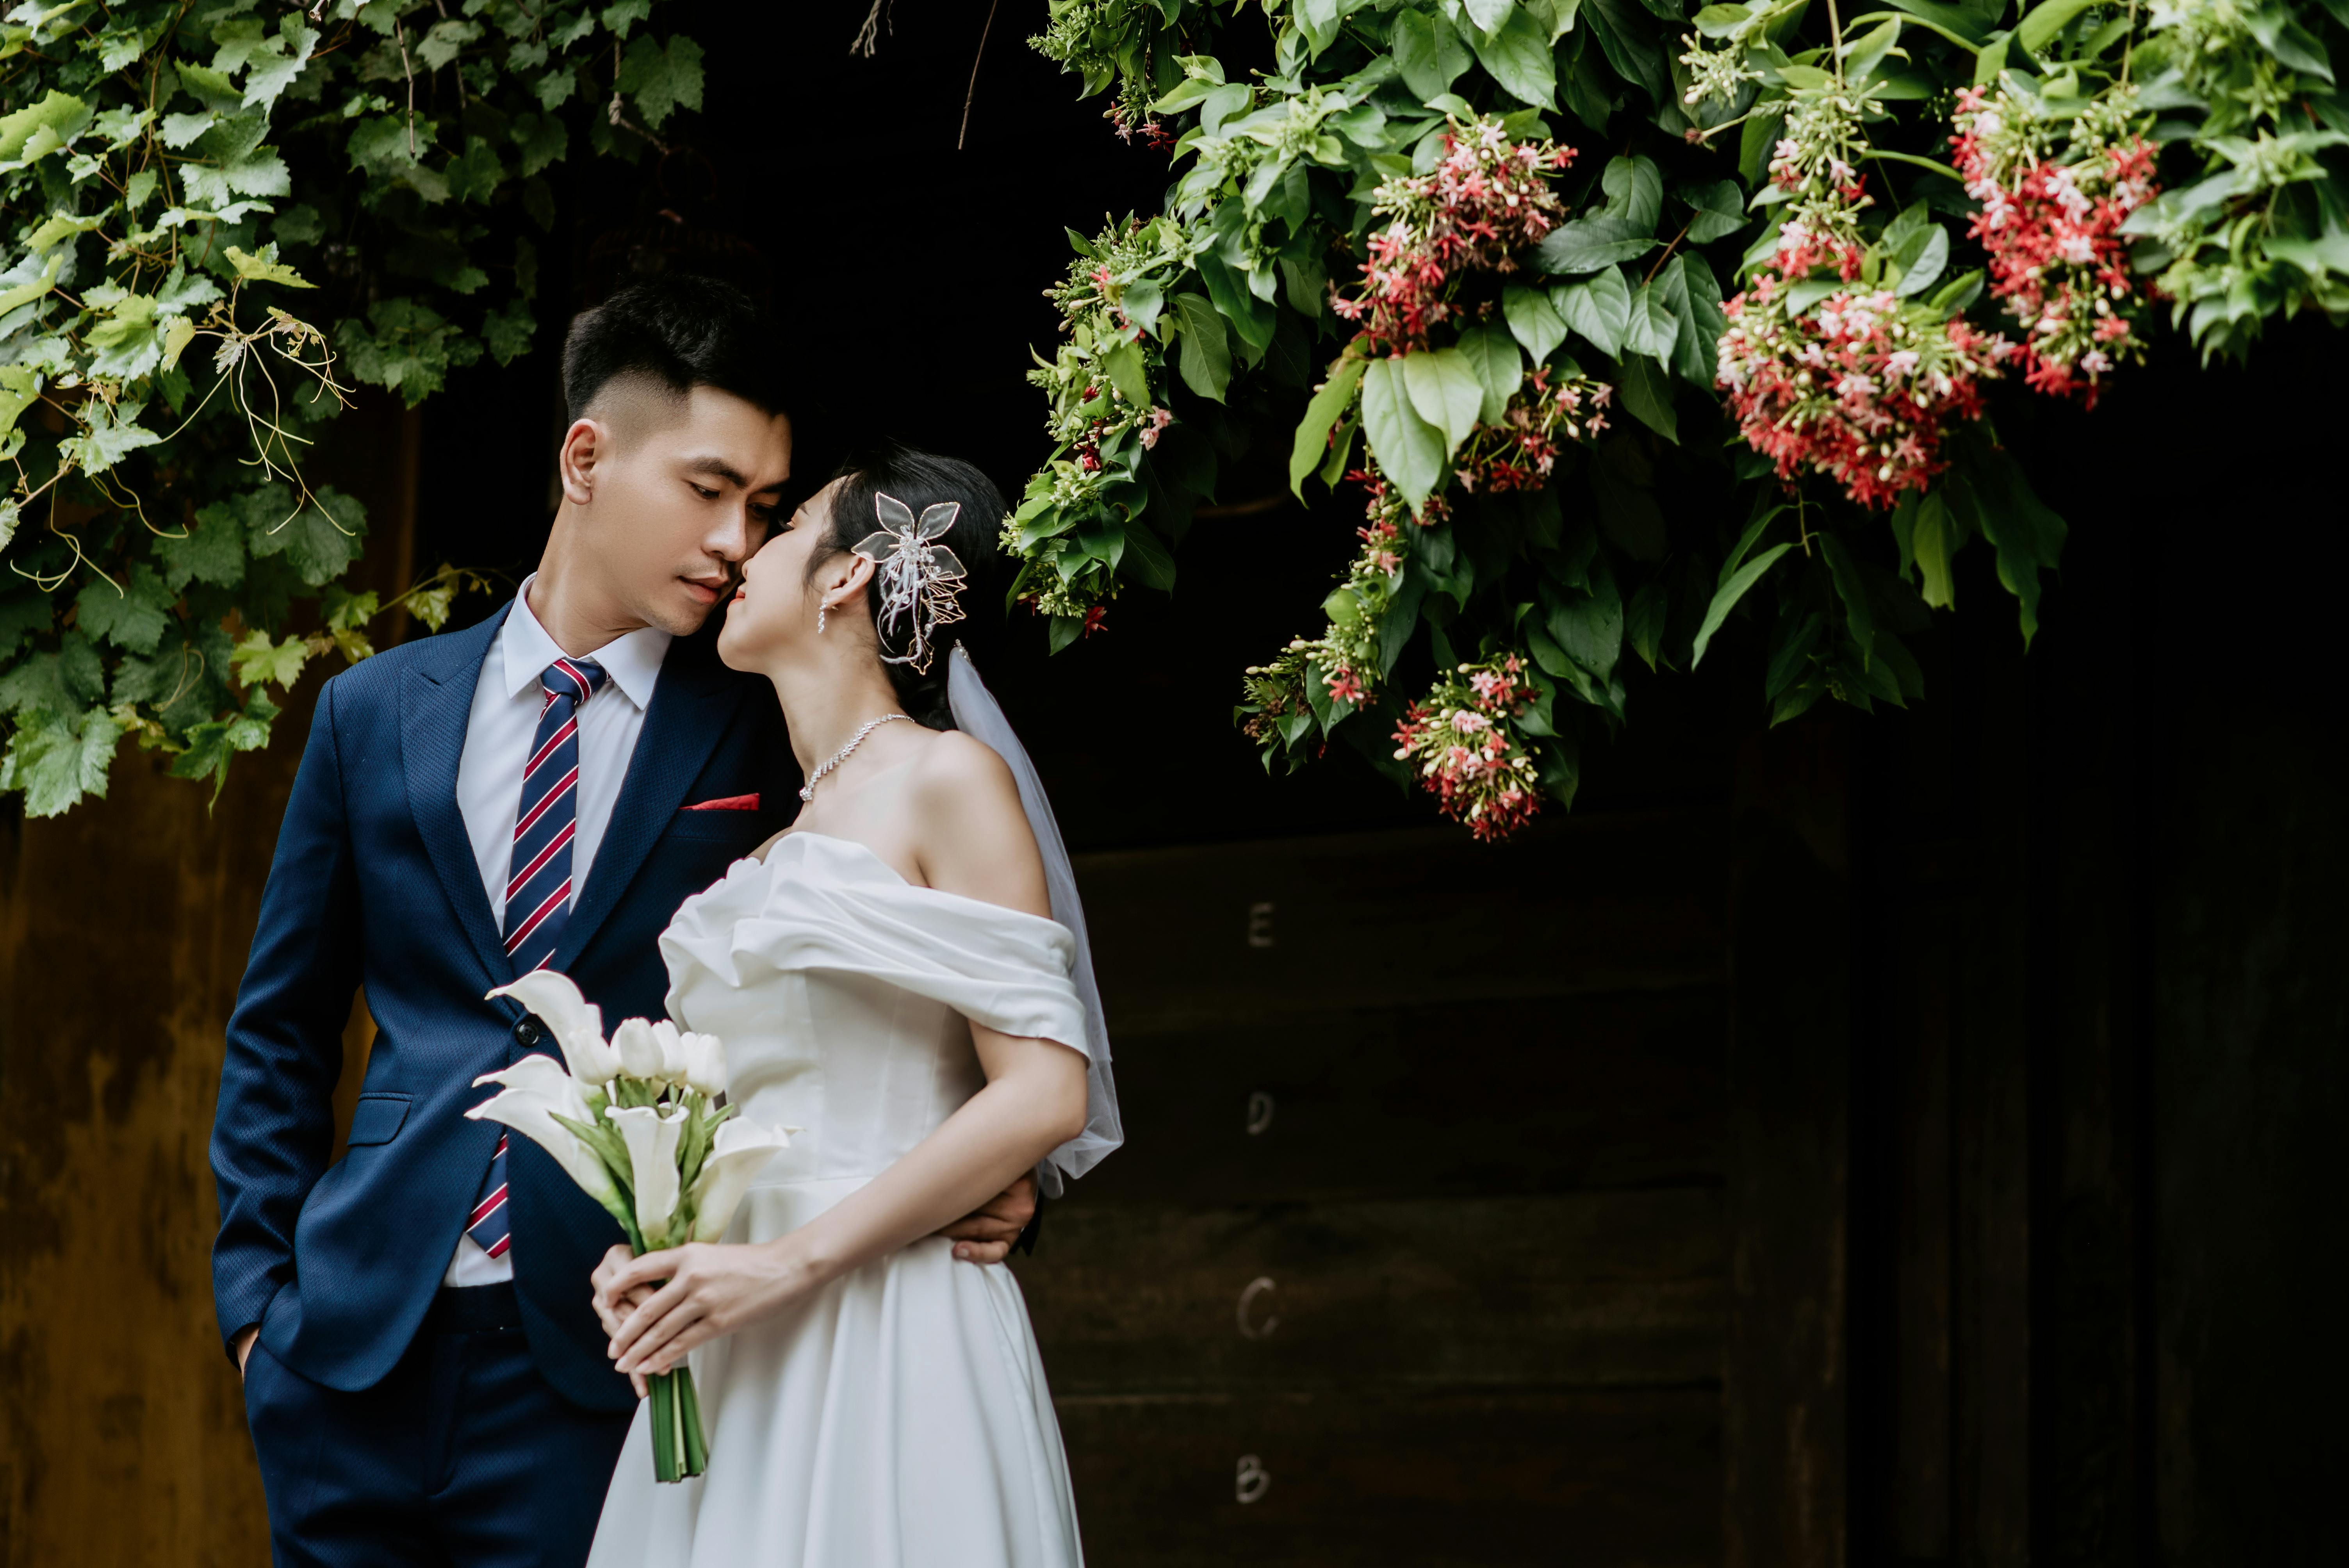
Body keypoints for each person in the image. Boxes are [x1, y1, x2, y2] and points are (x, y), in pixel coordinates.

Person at [209, 277, 1039, 1568]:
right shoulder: (372, 712)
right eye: (710, 490)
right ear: (587, 457)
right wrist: (259, 1317)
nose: (735, 538)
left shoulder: (775, 712)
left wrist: (1000, 1176)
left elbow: (930, 956)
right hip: (347, 1353)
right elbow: (281, 1028)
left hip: (611, 1358)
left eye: (766, 508)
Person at [581, 445, 1120, 1567]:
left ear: (844, 579)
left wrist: (794, 1262)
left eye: (783, 529)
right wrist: (658, 1245)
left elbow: (1045, 1091)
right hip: (739, 1334)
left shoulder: (949, 780)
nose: (744, 552)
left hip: (887, 1324)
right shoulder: (779, 846)